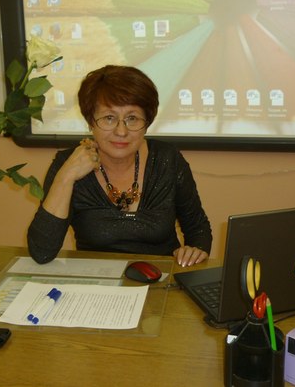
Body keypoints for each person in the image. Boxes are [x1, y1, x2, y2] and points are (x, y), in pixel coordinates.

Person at [27, 65, 212, 267]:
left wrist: (194, 251)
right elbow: (42, 252)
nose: (121, 131)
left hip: (160, 277)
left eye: (132, 119)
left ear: (147, 122)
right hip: (96, 280)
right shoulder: (68, 164)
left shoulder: (168, 159)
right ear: (90, 121)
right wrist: (66, 177)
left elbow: (198, 228)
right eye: (109, 118)